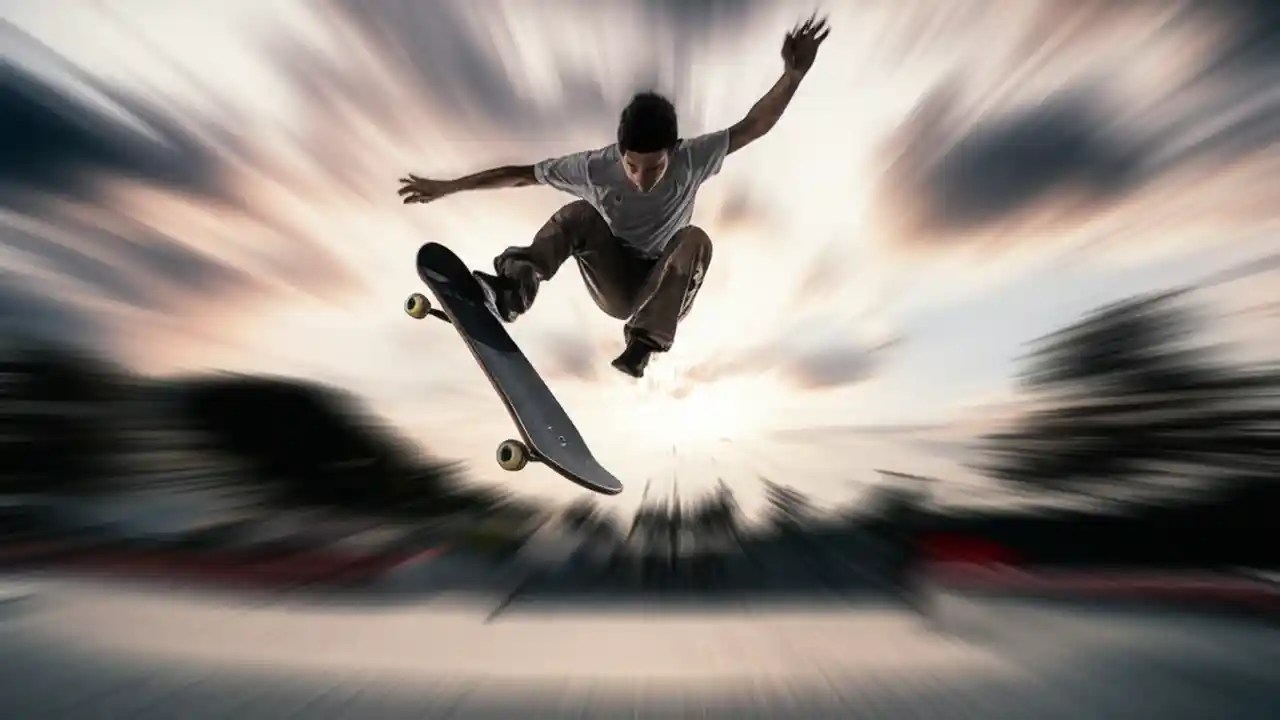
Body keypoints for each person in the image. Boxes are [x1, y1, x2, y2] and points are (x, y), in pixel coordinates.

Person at [400, 15, 830, 378]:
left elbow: (753, 126)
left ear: (674, 153)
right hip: (614, 281)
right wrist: (448, 187)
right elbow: (518, 176)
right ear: (619, 153)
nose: (642, 178)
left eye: (656, 168)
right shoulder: (593, 168)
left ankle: (642, 346)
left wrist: (792, 76)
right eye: (633, 167)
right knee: (578, 214)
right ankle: (511, 292)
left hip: (663, 285)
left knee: (695, 239)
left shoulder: (695, 157)